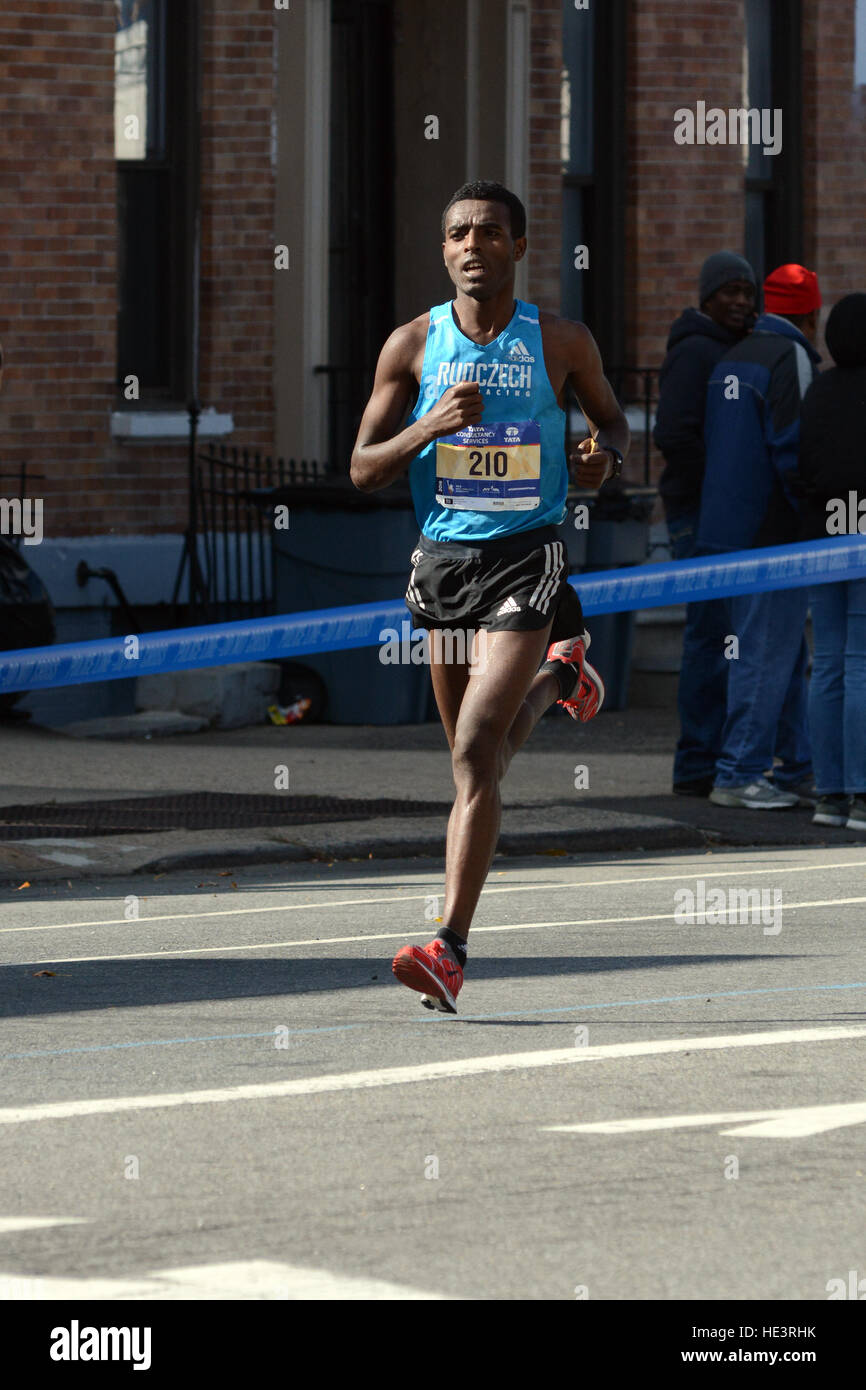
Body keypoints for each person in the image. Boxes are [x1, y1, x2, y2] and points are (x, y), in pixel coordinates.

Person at [350, 179, 630, 1013]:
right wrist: (427, 427)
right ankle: (565, 679)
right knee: (481, 761)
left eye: (490, 232)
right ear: (444, 250)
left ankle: (449, 946)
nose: (473, 245)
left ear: (518, 245)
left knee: (475, 749)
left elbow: (614, 424)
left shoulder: (562, 340)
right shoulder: (411, 345)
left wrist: (599, 459)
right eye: (458, 233)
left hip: (526, 555)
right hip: (441, 566)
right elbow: (363, 468)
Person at [699, 263, 822, 810]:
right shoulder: (788, 357)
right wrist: (814, 517)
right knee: (767, 655)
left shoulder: (733, 356)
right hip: (772, 533)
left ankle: (796, 765)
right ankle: (740, 771)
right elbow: (794, 448)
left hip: (723, 528)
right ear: (812, 315)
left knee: (779, 653)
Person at [653, 252, 757, 795]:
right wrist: (717, 486)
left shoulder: (735, 349)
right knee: (710, 637)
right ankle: (696, 764)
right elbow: (672, 434)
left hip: (724, 514)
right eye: (730, 291)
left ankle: (716, 759)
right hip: (698, 515)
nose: (741, 301)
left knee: (725, 638)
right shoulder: (695, 352)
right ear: (707, 297)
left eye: (748, 291)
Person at [796, 292, 866, 832]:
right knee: (862, 663)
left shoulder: (819, 391)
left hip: (823, 537)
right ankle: (862, 794)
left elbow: (804, 466)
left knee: (828, 665)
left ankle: (831, 792)